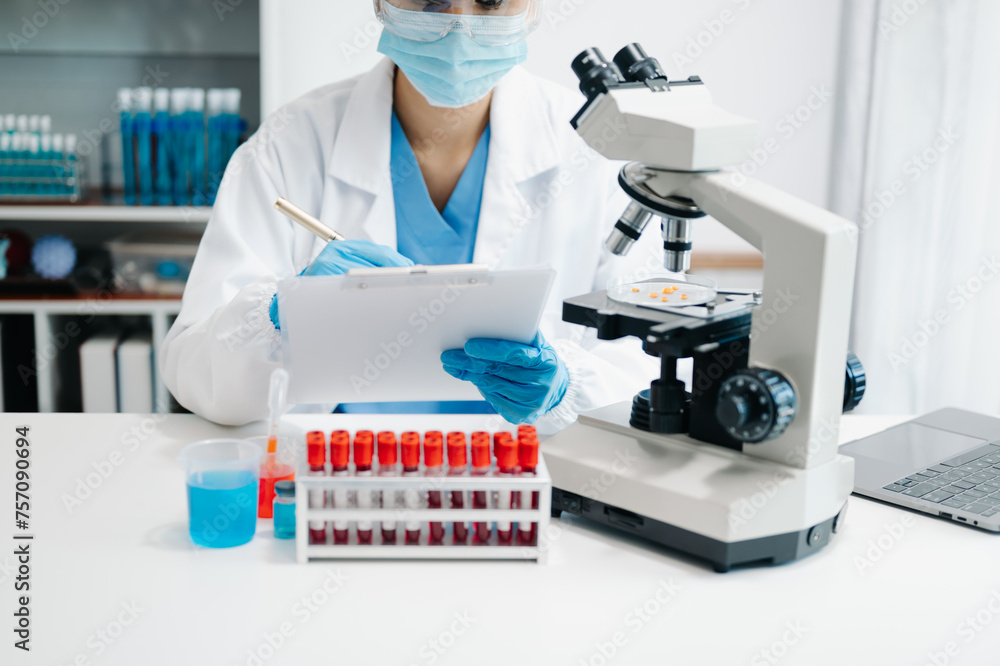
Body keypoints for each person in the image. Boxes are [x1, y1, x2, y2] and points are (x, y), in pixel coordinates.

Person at [159, 0, 661, 431]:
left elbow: (654, 367)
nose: (460, 28)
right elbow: (194, 373)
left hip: (529, 490)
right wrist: (278, 315)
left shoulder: (595, 150)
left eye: (490, 0)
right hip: (343, 481)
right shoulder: (290, 144)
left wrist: (567, 389)